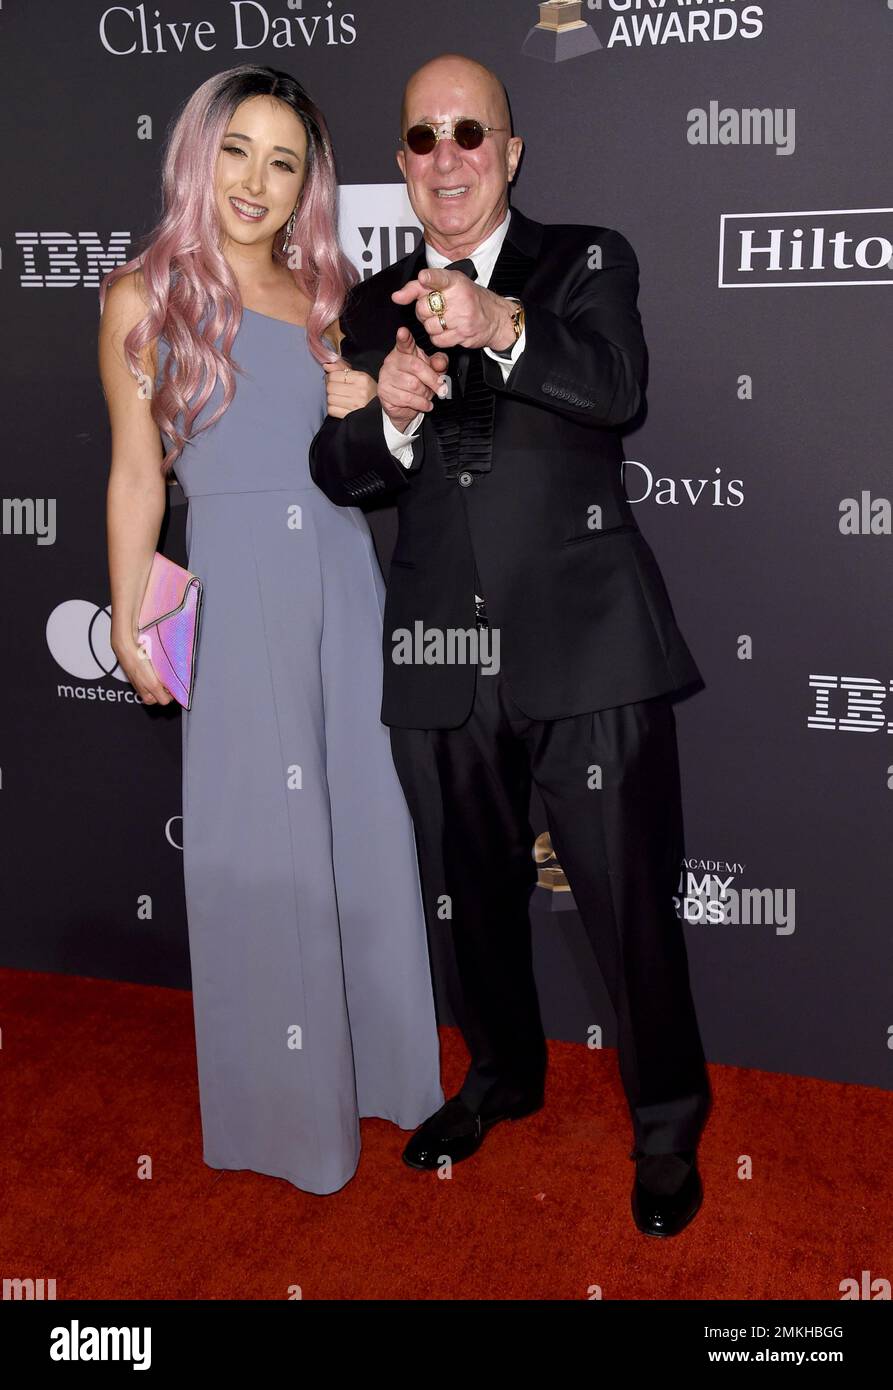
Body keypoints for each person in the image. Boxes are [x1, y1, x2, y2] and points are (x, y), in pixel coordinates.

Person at [310, 53, 712, 1235]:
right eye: (423, 137)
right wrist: (384, 416)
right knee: (470, 899)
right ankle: (498, 1079)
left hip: (587, 644)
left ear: (509, 151)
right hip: (437, 652)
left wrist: (501, 322)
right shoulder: (367, 303)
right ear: (400, 162)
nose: (447, 158)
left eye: (468, 134)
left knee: (628, 904)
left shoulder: (584, 259)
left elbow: (616, 386)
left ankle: (668, 1127)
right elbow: (334, 471)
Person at [98, 64, 443, 1197]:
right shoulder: (142, 296)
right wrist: (129, 616)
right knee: (259, 852)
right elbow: (138, 476)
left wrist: (368, 412)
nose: (255, 179)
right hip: (238, 590)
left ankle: (386, 1075)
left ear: (308, 186)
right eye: (236, 149)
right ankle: (285, 1119)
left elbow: (359, 467)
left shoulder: (330, 300)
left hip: (342, 586)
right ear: (199, 153)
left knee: (363, 831)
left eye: (283, 160)